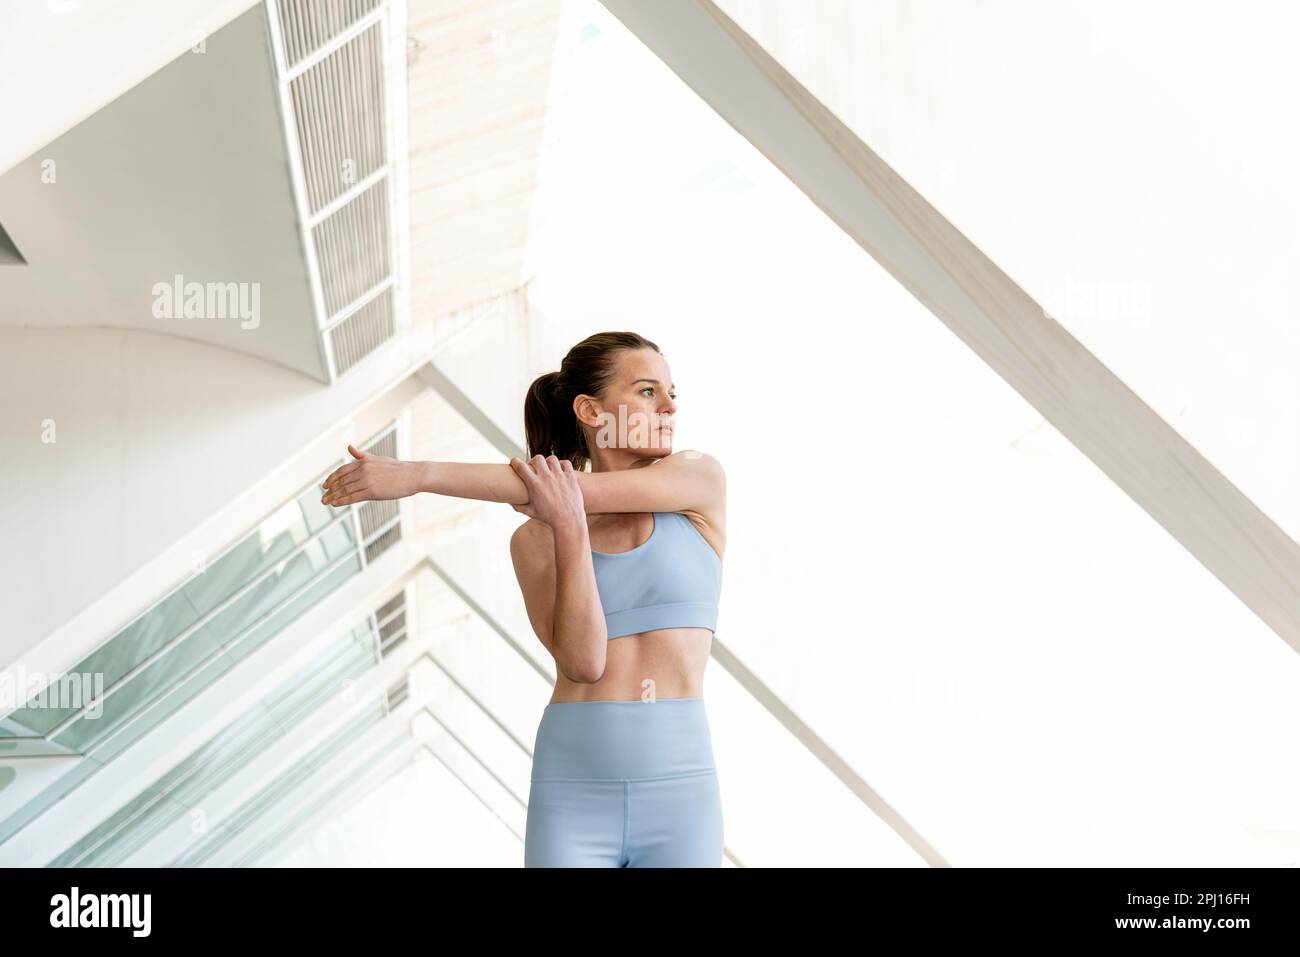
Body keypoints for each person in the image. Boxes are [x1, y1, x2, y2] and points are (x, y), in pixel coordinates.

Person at [319, 331, 726, 867]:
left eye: (672, 392)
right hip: (574, 788)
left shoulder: (699, 482)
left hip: (682, 790)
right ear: (590, 410)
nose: (670, 406)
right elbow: (584, 663)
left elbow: (576, 493)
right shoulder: (534, 541)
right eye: (648, 391)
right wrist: (570, 532)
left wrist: (416, 474)